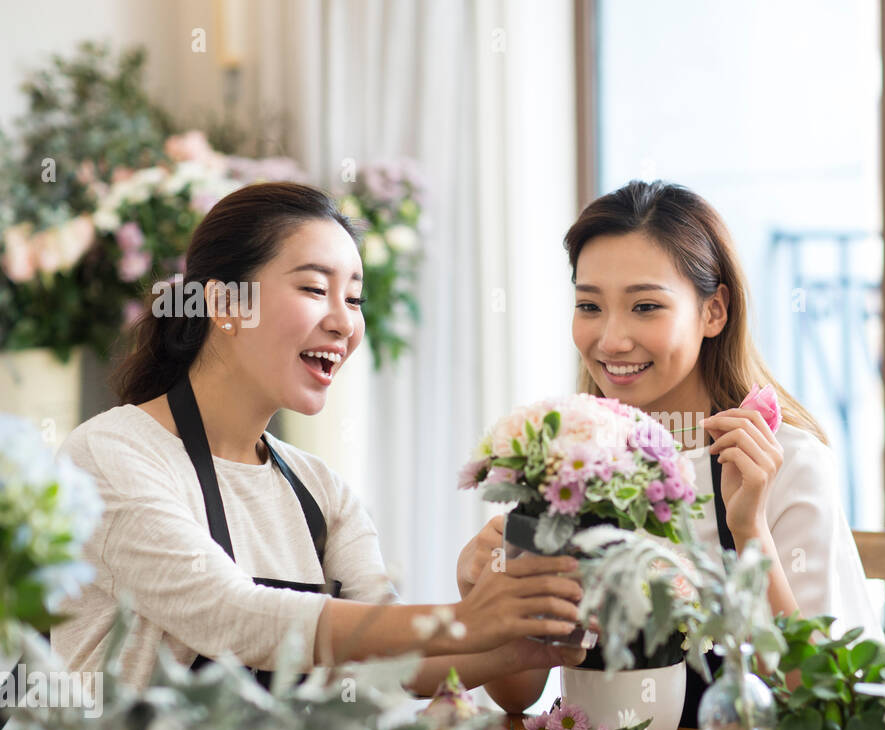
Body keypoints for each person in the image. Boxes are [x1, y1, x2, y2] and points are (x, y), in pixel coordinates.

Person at [53, 182, 584, 695]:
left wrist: (523, 647)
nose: (343, 322)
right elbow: (230, 616)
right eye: (313, 288)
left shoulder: (320, 489)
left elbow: (382, 665)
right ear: (225, 304)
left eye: (353, 298)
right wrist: (466, 619)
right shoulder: (111, 453)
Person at [461, 180, 879, 724]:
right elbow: (517, 694)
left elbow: (820, 694)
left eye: (645, 306)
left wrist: (750, 529)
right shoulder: (569, 462)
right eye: (589, 304)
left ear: (714, 311)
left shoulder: (785, 462)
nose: (610, 339)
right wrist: (480, 586)